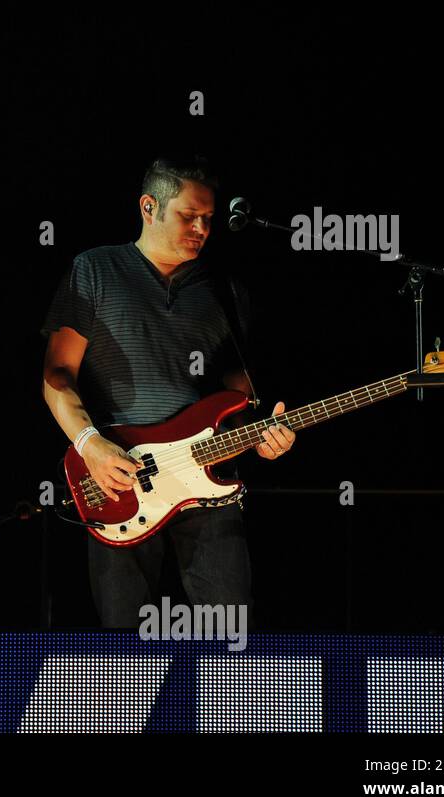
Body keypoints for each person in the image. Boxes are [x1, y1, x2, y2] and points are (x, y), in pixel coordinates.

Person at [41, 156, 294, 628]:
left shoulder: (224, 288)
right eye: (188, 215)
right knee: (124, 652)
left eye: (209, 219)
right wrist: (90, 445)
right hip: (121, 479)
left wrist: (264, 437)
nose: (201, 228)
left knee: (229, 642)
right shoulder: (95, 269)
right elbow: (56, 375)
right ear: (148, 206)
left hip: (210, 487)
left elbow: (240, 395)